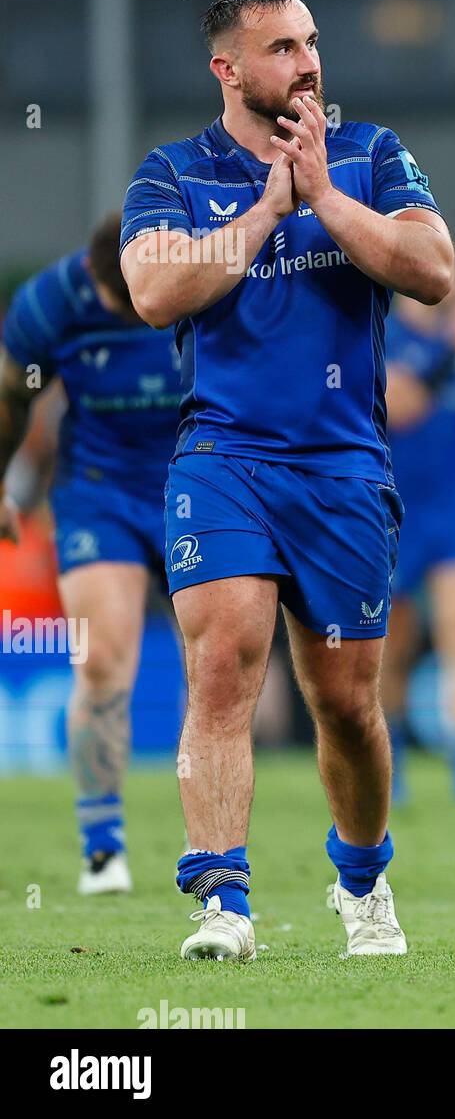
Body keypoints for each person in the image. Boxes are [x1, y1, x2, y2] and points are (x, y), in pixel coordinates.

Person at [119, 0, 452, 960]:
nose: (307, 63)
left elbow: (432, 270)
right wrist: (267, 212)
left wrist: (327, 200)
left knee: (347, 704)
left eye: (311, 42)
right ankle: (222, 897)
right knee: (220, 666)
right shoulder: (174, 171)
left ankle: (362, 877)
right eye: (281, 48)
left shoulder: (373, 153)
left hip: (345, 468)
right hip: (222, 456)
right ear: (227, 68)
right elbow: (151, 289)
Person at [0, 213, 181, 895]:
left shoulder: (210, 279)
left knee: (220, 664)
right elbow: (13, 397)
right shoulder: (50, 303)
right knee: (102, 660)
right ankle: (102, 845)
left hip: (200, 480)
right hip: (99, 490)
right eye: (116, 300)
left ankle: (217, 846)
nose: (127, 311)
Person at [380, 253, 455, 803]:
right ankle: (390, 763)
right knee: (390, 647)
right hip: (392, 506)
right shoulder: (385, 331)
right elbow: (400, 406)